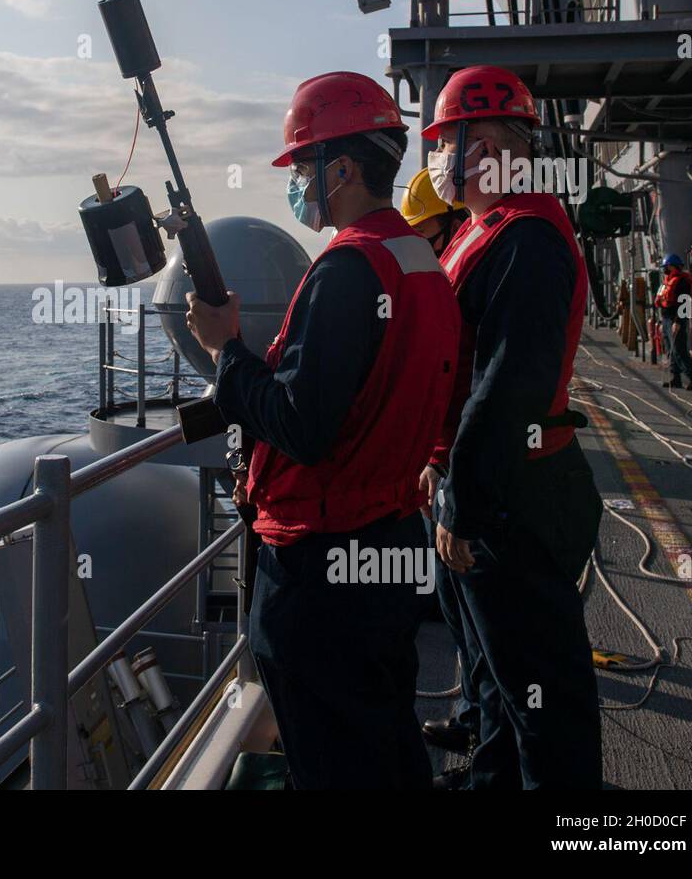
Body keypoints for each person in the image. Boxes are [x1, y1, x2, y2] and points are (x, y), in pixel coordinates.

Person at [185, 71, 460, 789]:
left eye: (302, 168)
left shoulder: (348, 269)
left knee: (330, 756)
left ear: (340, 169)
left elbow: (301, 426)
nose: (298, 185)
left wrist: (226, 353)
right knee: (381, 736)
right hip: (389, 541)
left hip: (323, 566)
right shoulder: (420, 259)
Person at [422, 64, 603, 790]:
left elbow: (506, 390)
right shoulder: (486, 229)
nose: (439, 160)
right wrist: (438, 461)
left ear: (489, 142)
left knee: (542, 698)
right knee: (498, 675)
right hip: (492, 482)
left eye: (446, 143)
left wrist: (465, 500)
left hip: (514, 494)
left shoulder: (525, 241)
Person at [398, 169, 478, 761]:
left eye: (423, 233)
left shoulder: (460, 276)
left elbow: (468, 388)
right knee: (456, 607)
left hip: (457, 469)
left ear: (449, 223)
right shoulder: (446, 272)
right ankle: (473, 717)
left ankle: (485, 740)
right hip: (442, 466)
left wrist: (439, 458)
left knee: (479, 617)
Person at [654, 253, 692, 391]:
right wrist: (662, 322)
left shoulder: (682, 282)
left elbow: (685, 303)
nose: (664, 270)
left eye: (666, 267)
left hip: (676, 320)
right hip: (667, 320)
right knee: (670, 350)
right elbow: (662, 302)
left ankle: (691, 379)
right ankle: (676, 379)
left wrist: (678, 322)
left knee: (679, 349)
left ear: (672, 266)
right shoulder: (667, 281)